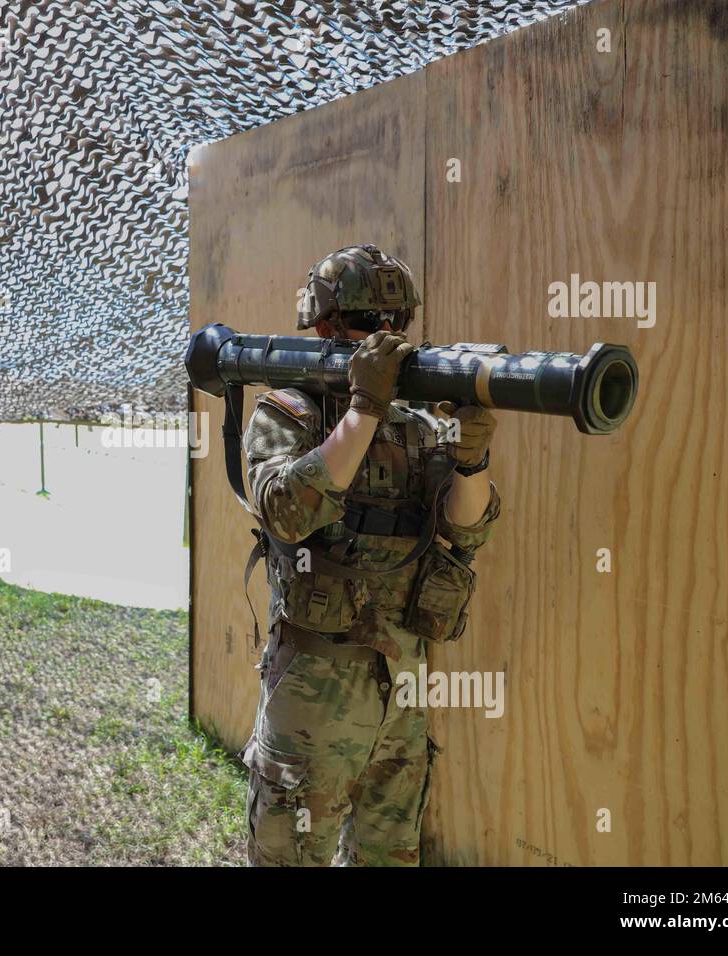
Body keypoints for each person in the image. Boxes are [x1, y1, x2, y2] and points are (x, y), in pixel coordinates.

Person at [240, 244, 501, 866]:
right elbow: (286, 509)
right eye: (366, 326)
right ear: (326, 328)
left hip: (402, 692)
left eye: (395, 328)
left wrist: (472, 460)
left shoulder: (420, 423)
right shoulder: (290, 409)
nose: (384, 340)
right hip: (314, 695)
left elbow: (466, 533)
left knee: (390, 857)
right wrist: (363, 410)